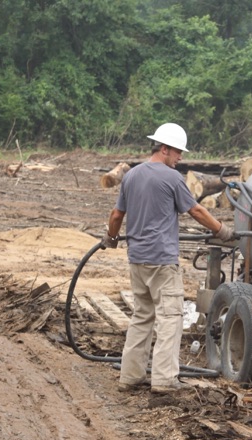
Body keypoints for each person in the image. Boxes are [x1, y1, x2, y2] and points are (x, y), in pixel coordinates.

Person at [101, 122, 235, 393]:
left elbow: (116, 216)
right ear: (164, 149)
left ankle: (129, 376)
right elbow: (196, 211)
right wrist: (222, 231)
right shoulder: (172, 178)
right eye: (177, 152)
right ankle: (164, 381)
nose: (180, 158)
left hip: (137, 260)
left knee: (141, 317)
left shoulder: (131, 176)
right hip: (162, 262)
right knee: (170, 319)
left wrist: (112, 239)